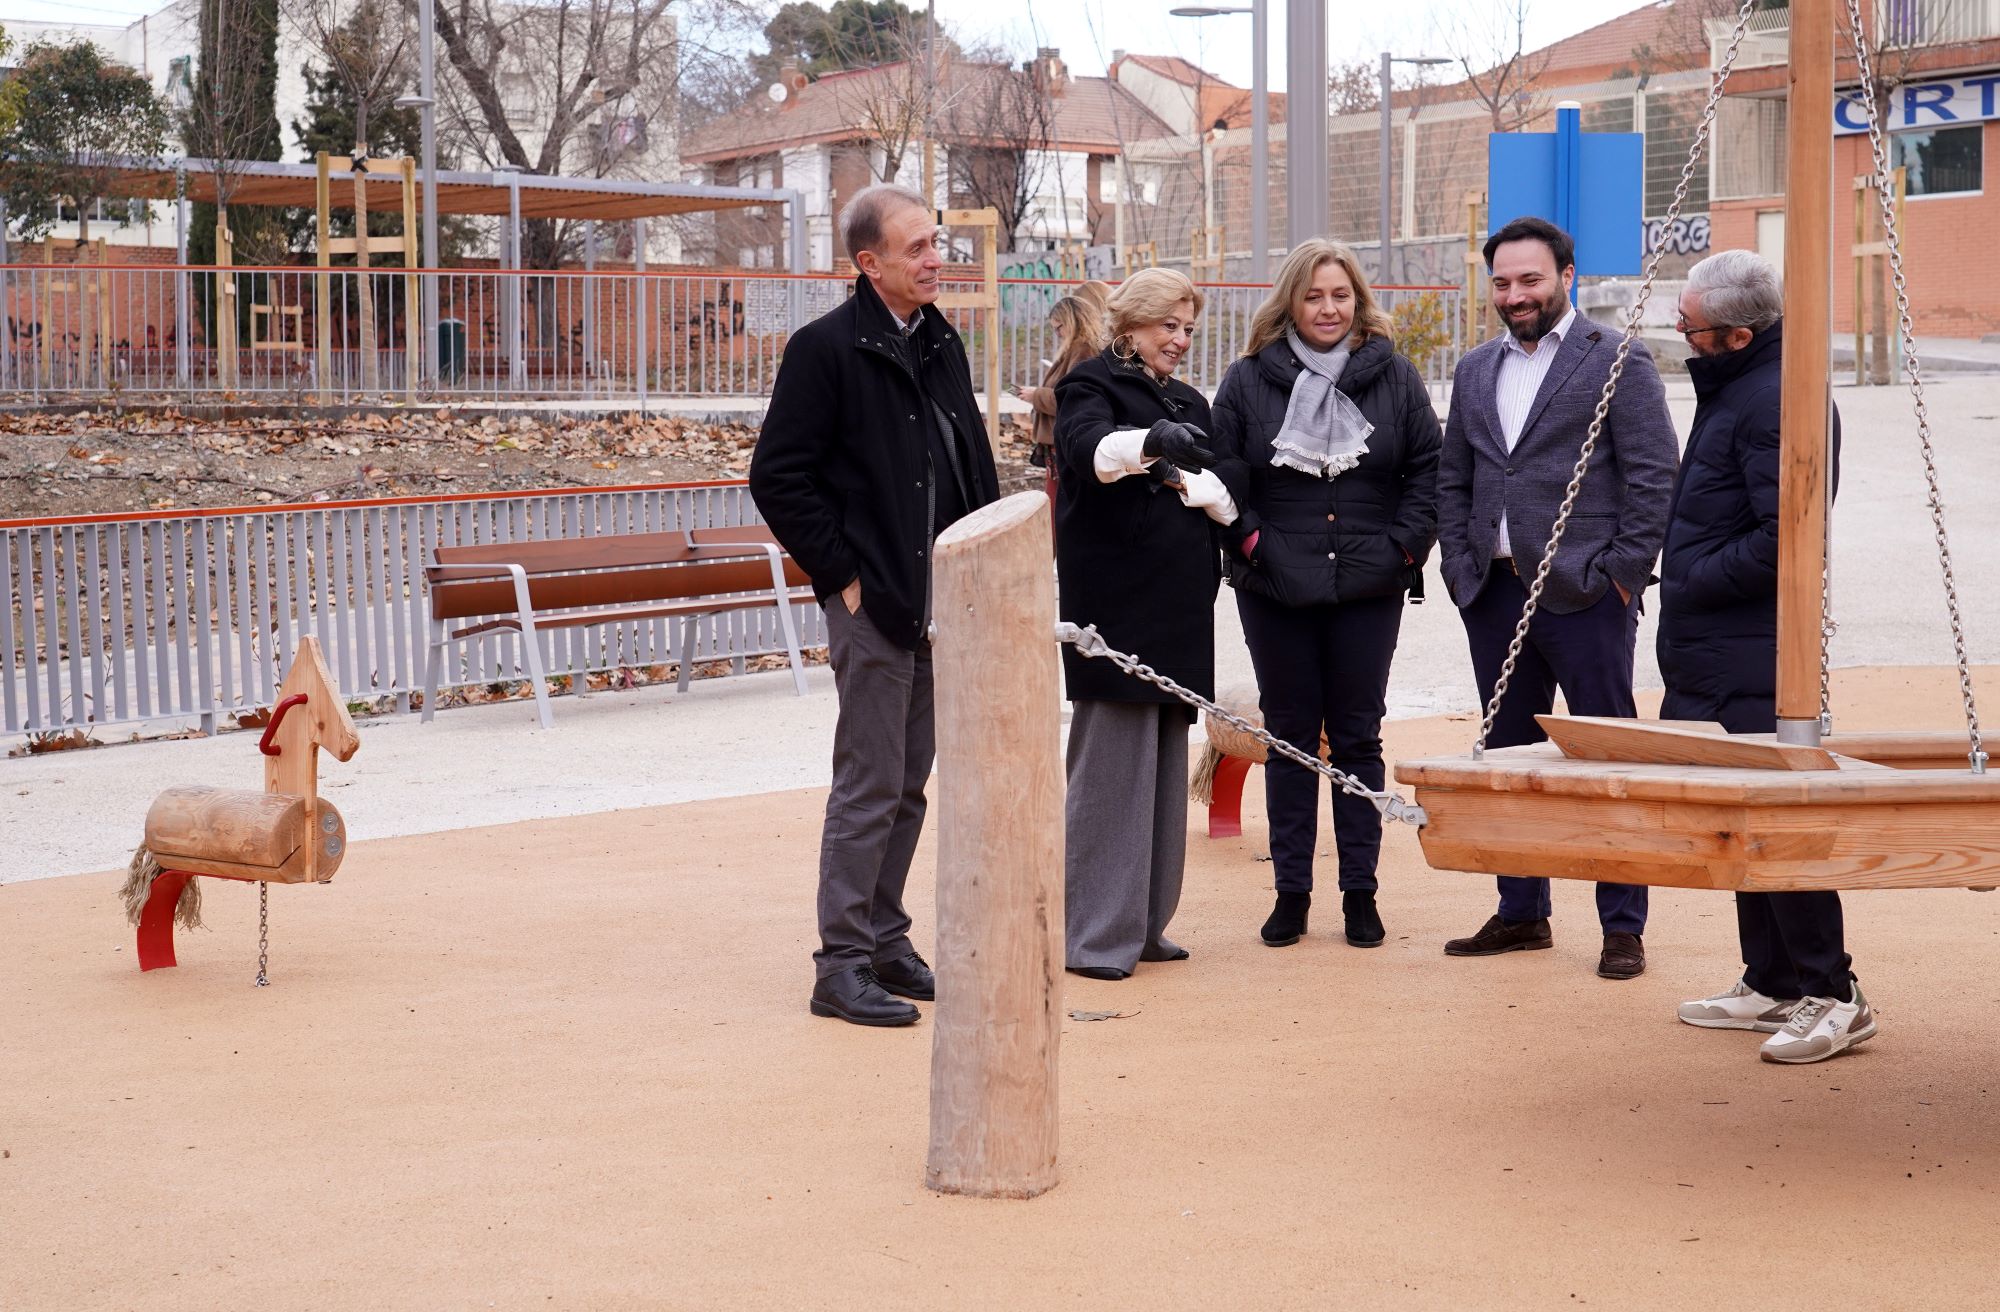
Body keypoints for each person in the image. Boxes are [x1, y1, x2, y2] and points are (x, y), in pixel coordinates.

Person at [749, 183, 1000, 1027]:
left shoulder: (939, 341)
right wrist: (841, 577)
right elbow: (777, 476)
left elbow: (968, 464)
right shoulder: (824, 350)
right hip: (875, 604)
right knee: (869, 784)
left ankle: (887, 939)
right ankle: (842, 962)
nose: (937, 259)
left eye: (937, 243)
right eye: (918, 248)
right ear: (869, 263)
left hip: (942, 603)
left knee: (910, 784)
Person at [1435, 216, 1678, 980]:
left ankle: (1623, 926)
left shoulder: (1619, 360)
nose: (1516, 295)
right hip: (1493, 592)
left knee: (1607, 758)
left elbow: (1653, 476)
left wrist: (1620, 576)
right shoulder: (1475, 369)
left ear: (1566, 276)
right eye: (1503, 282)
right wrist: (1459, 567)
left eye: (1530, 279)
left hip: (1586, 596)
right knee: (1510, 758)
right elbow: (1455, 476)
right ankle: (1520, 912)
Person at [1663, 250, 1869, 1064]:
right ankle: (1775, 980)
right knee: (1742, 822)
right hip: (1718, 646)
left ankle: (1835, 991)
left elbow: (1788, 538)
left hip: (1757, 650)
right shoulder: (1737, 387)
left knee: (1781, 824)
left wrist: (1687, 580)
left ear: (1737, 333)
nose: (1681, 337)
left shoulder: (1775, 398)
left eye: (1690, 328)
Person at [1209, 239, 1441, 949]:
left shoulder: (1395, 378)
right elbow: (1222, 478)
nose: (1328, 307)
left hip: (1370, 584)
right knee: (1287, 739)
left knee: (1357, 738)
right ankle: (1291, 893)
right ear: (1290, 303)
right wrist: (1252, 545)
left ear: (1358, 299)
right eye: (1314, 295)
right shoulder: (1248, 381)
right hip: (1275, 585)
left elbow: (1428, 471)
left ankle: (1360, 893)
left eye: (1340, 294)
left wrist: (1402, 549)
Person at [1053, 267, 1233, 980]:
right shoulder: (1091, 384)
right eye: (1169, 326)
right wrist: (1150, 443)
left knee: (1161, 768)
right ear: (1131, 324)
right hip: (1115, 613)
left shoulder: (1190, 398)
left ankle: (1144, 925)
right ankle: (1094, 936)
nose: (1182, 340)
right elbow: (1088, 453)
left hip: (1181, 609)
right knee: (1110, 775)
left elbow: (1217, 475)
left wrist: (1213, 492)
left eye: (1188, 328)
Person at [1015, 293, 1107, 509]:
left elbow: (1070, 399)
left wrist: (1036, 395)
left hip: (1064, 442)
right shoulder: (1080, 348)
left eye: (1059, 327)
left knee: (1060, 506)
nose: (1057, 334)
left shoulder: (1083, 350)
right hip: (1061, 443)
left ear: (1073, 321)